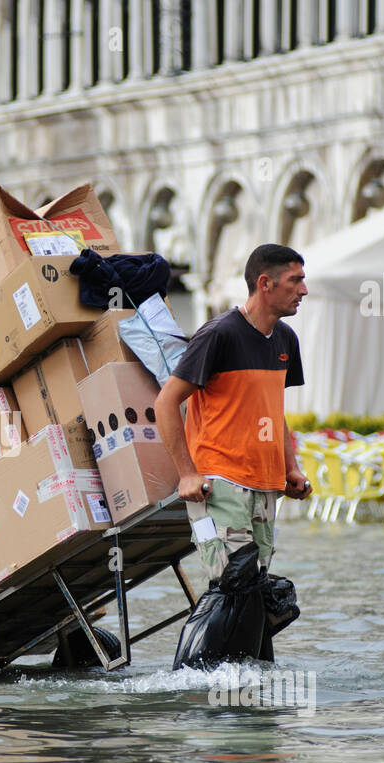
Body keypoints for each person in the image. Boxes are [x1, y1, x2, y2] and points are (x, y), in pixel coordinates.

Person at [155, 243, 312, 587]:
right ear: (265, 283)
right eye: (295, 280)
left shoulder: (286, 339)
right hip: (218, 485)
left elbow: (273, 411)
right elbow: (165, 402)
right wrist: (186, 474)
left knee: (254, 588)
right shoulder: (218, 334)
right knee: (232, 585)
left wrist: (291, 467)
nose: (303, 289)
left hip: (266, 486)